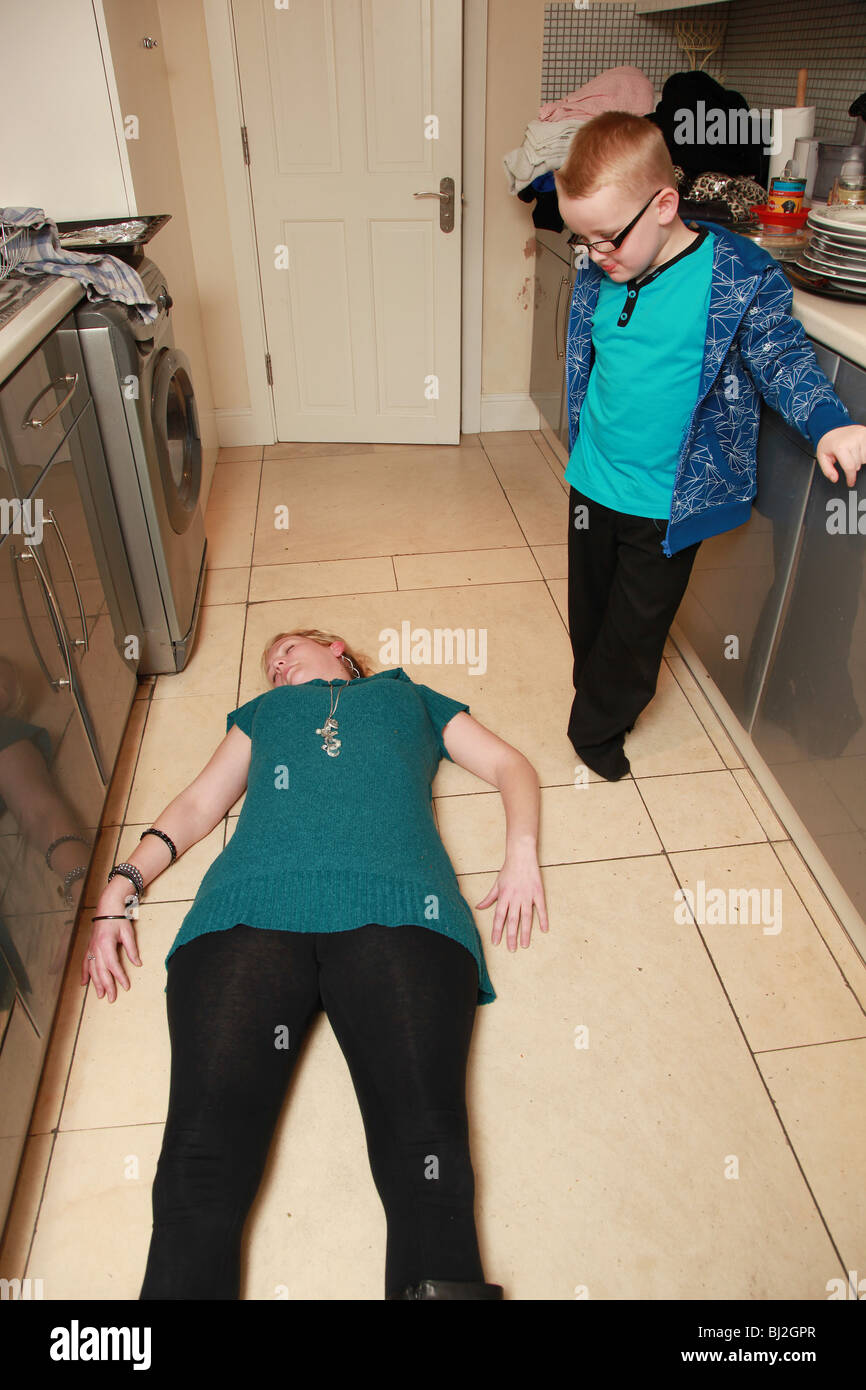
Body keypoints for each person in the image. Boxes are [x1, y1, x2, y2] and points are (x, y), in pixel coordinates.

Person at [83, 629, 549, 1300]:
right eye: (268, 662)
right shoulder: (263, 713)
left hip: (400, 909)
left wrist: (521, 855)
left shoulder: (411, 697)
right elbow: (196, 805)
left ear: (335, 646)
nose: (275, 662)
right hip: (246, 911)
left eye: (287, 647)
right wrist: (121, 886)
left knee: (429, 1153)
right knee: (199, 1157)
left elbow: (511, 766)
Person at [553, 111, 866, 781]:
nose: (595, 254)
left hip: (670, 499)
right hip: (592, 479)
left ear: (664, 206)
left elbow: (781, 358)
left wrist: (829, 422)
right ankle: (599, 695)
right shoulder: (600, 268)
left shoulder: (735, 278)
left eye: (607, 238)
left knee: (637, 627)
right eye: (583, 238)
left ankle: (594, 729)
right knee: (592, 611)